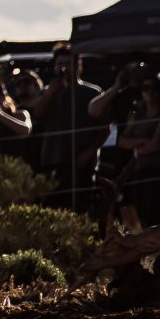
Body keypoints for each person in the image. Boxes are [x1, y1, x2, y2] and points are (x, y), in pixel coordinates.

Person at [31, 44, 104, 209]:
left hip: (81, 161)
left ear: (78, 65)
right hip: (53, 159)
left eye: (67, 63)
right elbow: (37, 114)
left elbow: (105, 128)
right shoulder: (48, 92)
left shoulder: (91, 93)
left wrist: (90, 151)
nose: (63, 67)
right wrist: (51, 91)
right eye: (59, 64)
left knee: (81, 205)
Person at [113, 70, 160, 227]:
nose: (150, 92)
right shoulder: (138, 116)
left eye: (154, 88)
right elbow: (121, 140)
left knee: (156, 219)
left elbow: (155, 145)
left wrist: (136, 144)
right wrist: (142, 141)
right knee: (140, 219)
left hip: (157, 171)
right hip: (139, 171)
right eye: (146, 88)